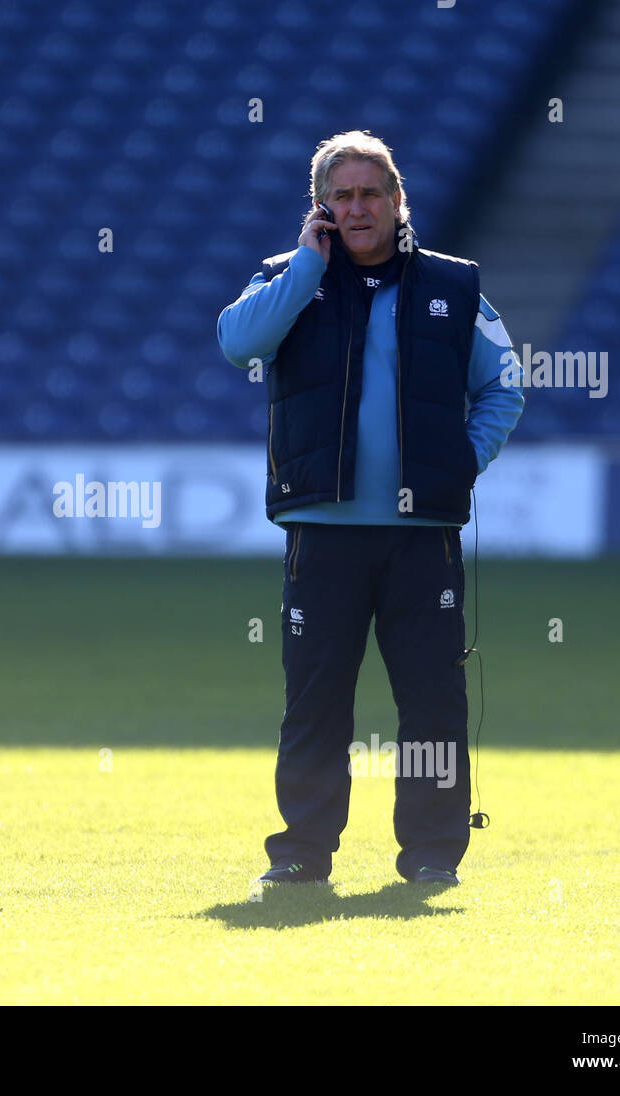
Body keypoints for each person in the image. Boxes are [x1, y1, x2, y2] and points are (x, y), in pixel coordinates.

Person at [217, 130, 523, 888]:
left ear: (397, 201)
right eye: (341, 196)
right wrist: (307, 267)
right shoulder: (286, 277)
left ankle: (429, 854)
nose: (358, 208)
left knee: (432, 701)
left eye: (371, 193)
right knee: (316, 700)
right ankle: (302, 854)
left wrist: (459, 463)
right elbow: (237, 343)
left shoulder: (453, 289)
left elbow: (505, 383)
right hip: (323, 530)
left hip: (422, 536)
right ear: (321, 209)